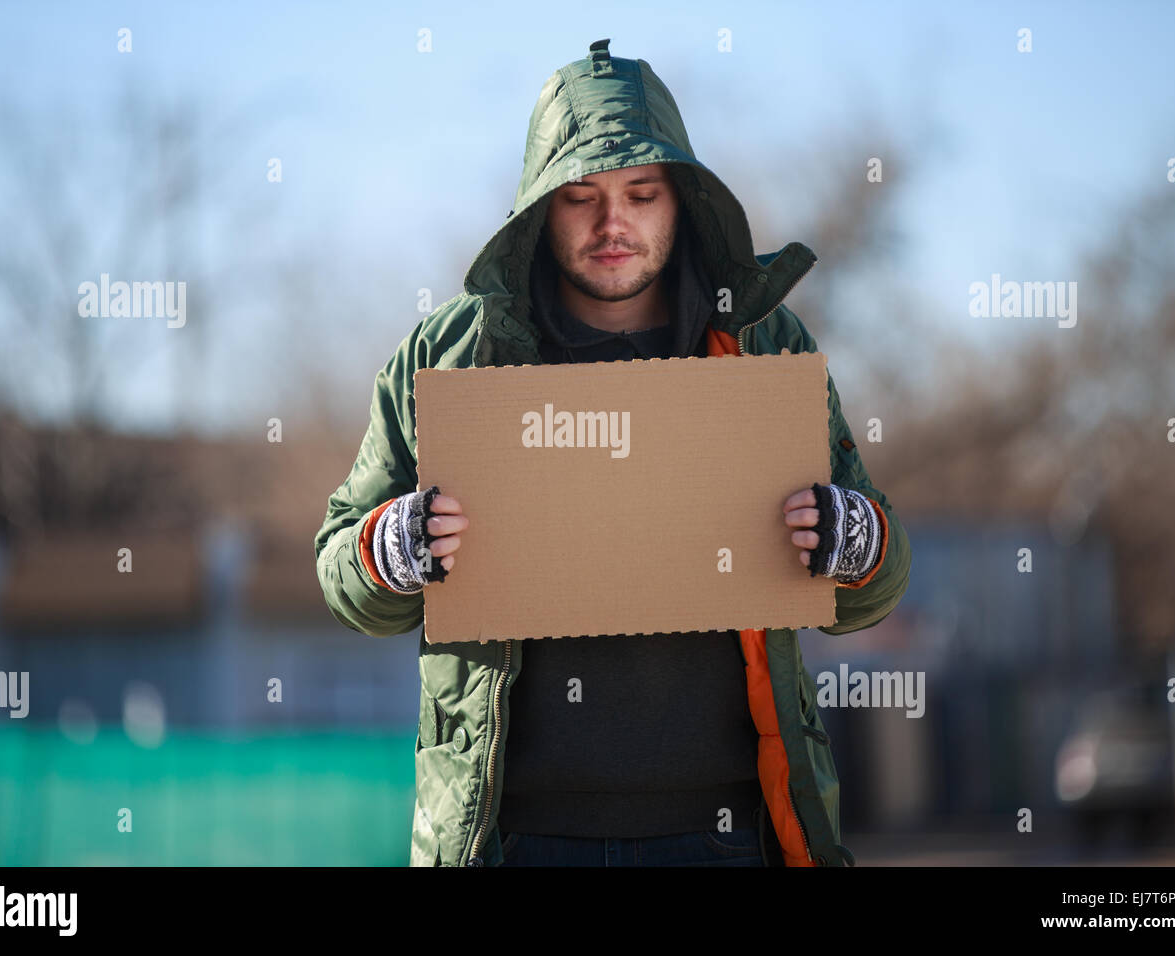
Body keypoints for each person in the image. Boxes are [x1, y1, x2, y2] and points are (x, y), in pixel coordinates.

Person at [314, 38, 911, 867]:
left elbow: (874, 585)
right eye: (580, 197)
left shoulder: (760, 342)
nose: (612, 224)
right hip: (513, 838)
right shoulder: (450, 356)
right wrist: (392, 547)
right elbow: (341, 569)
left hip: (730, 834)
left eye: (641, 194)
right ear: (538, 209)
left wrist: (853, 539)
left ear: (682, 201)